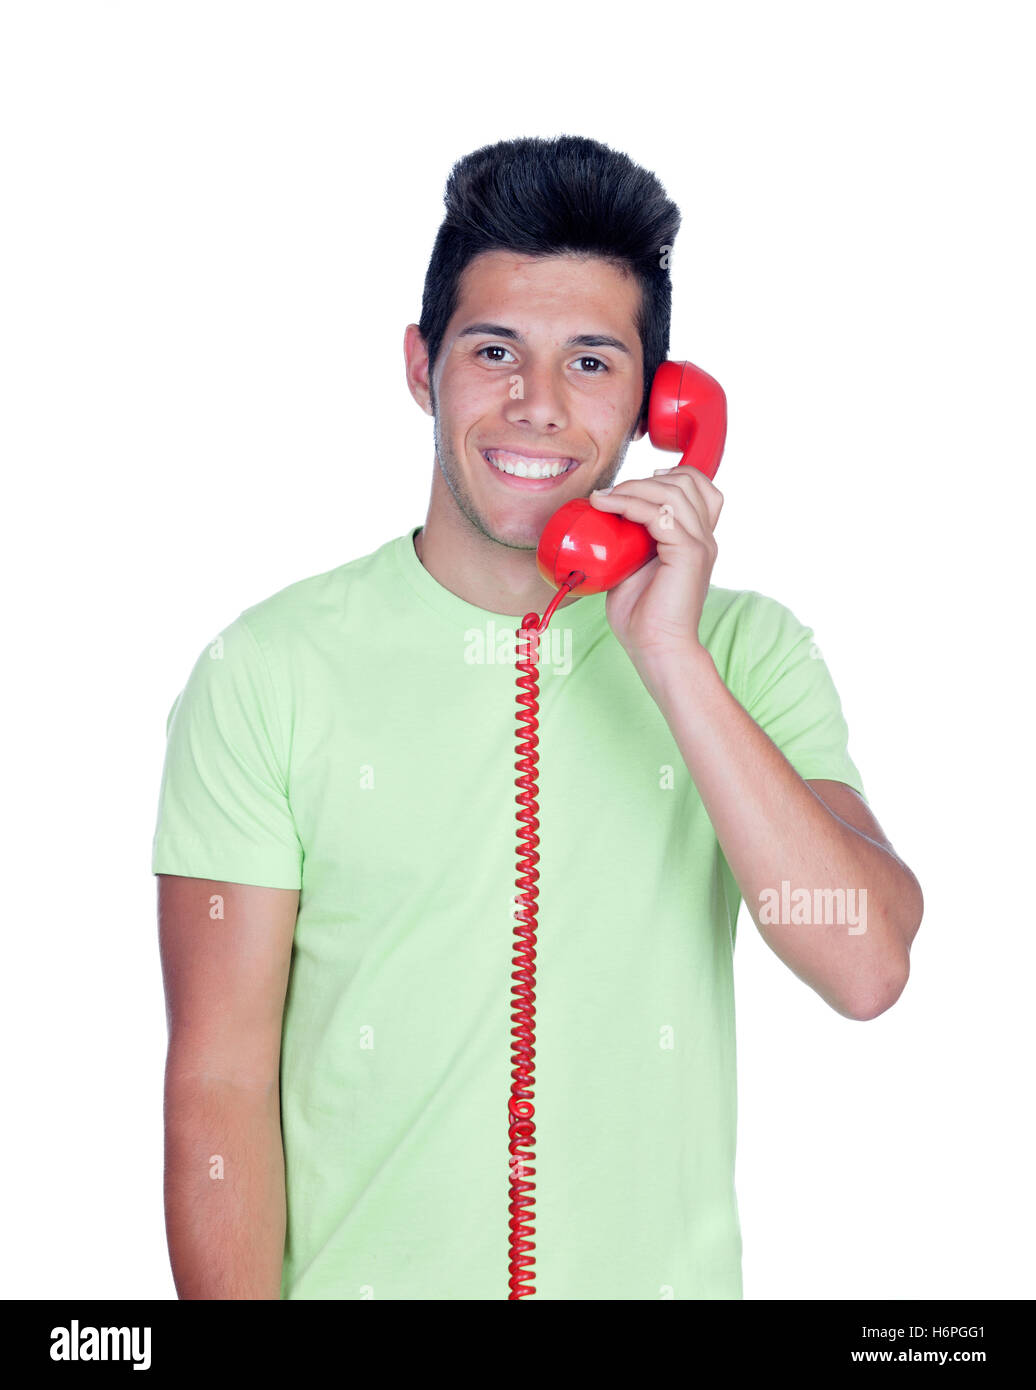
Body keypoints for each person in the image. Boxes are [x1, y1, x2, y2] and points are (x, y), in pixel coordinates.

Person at [152, 134, 924, 1301]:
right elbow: (218, 1081)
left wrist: (669, 655)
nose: (538, 405)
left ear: (664, 405)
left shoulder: (747, 652)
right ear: (422, 367)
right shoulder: (267, 670)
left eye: (593, 363)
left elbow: (864, 965)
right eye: (495, 350)